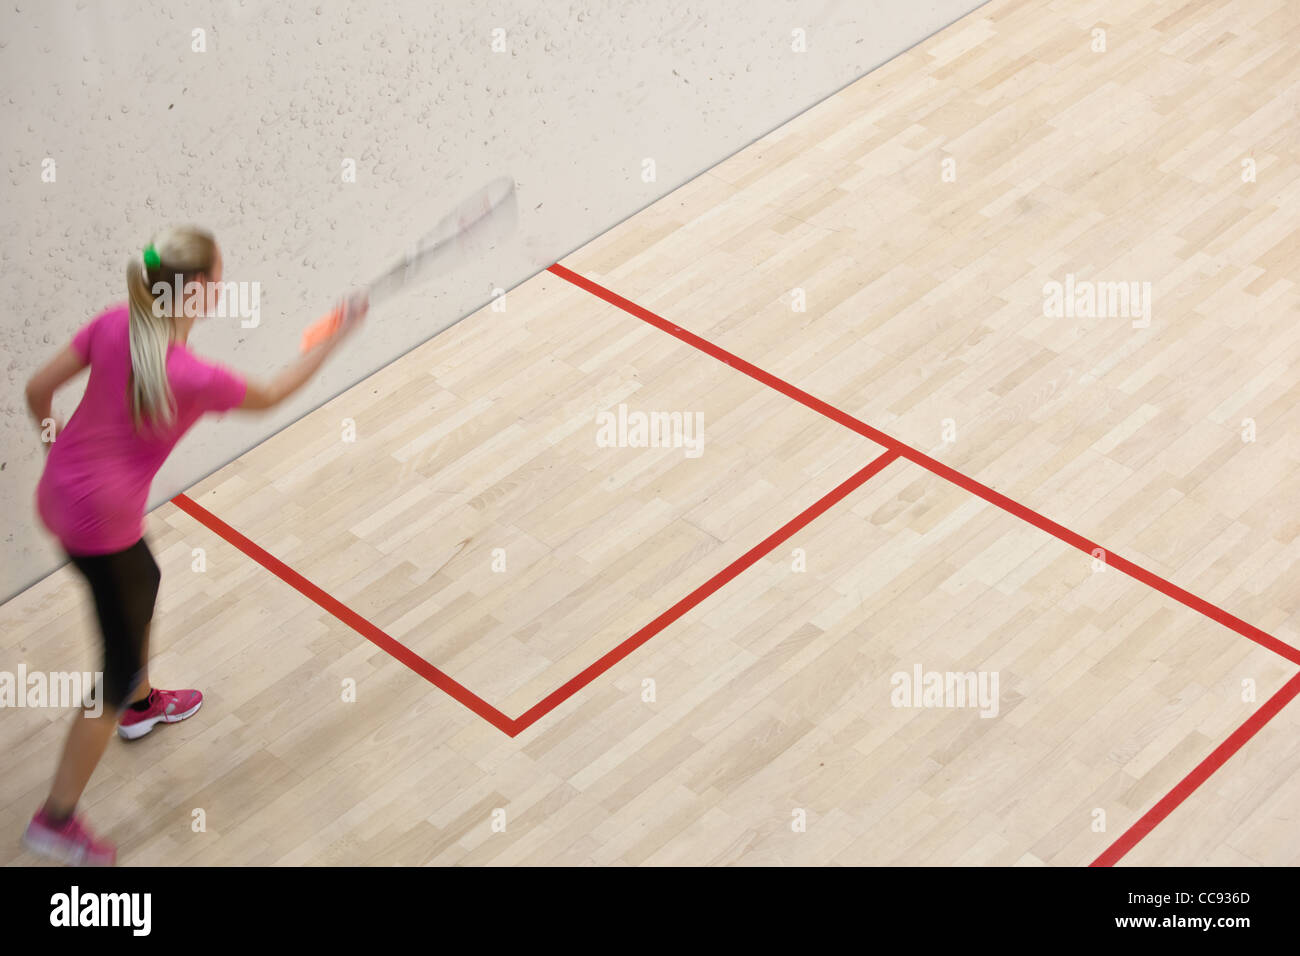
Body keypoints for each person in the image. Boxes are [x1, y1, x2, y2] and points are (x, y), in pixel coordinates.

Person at [20, 225, 366, 865]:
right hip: (101, 528)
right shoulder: (191, 374)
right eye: (219, 278)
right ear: (201, 288)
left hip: (61, 502)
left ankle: (142, 705)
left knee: (143, 582)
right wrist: (337, 334)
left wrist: (61, 456)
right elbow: (272, 395)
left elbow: (37, 392)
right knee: (112, 674)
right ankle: (56, 820)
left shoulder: (111, 324)